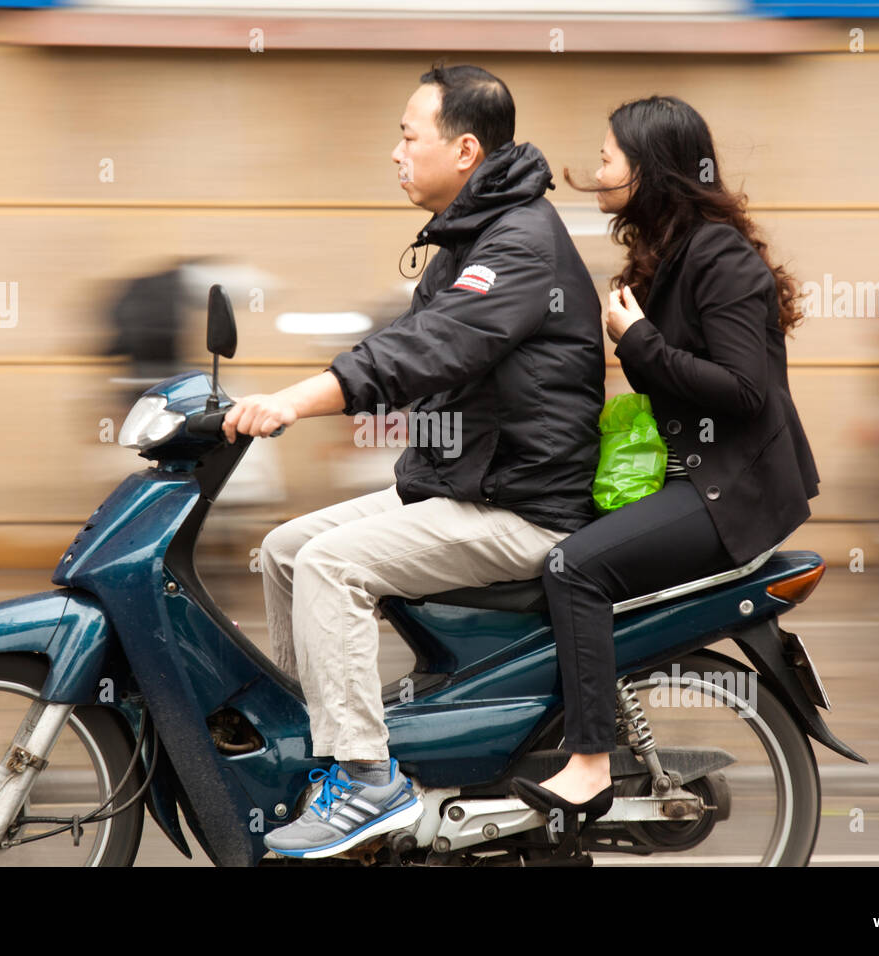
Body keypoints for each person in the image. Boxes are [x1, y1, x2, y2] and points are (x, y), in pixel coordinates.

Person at [222, 63, 606, 858]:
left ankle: (366, 782)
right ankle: (316, 750)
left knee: (333, 566)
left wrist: (297, 401)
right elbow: (399, 349)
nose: (395, 152)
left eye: (407, 135)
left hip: (520, 506)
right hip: (465, 487)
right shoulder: (471, 237)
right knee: (288, 550)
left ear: (466, 149)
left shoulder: (519, 244)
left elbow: (429, 351)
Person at [508, 95, 821, 843]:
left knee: (574, 568)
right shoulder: (670, 254)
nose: (600, 169)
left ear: (652, 170)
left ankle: (587, 762)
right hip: (688, 479)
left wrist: (639, 339)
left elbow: (744, 392)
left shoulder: (719, 257)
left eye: (612, 157)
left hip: (728, 494)